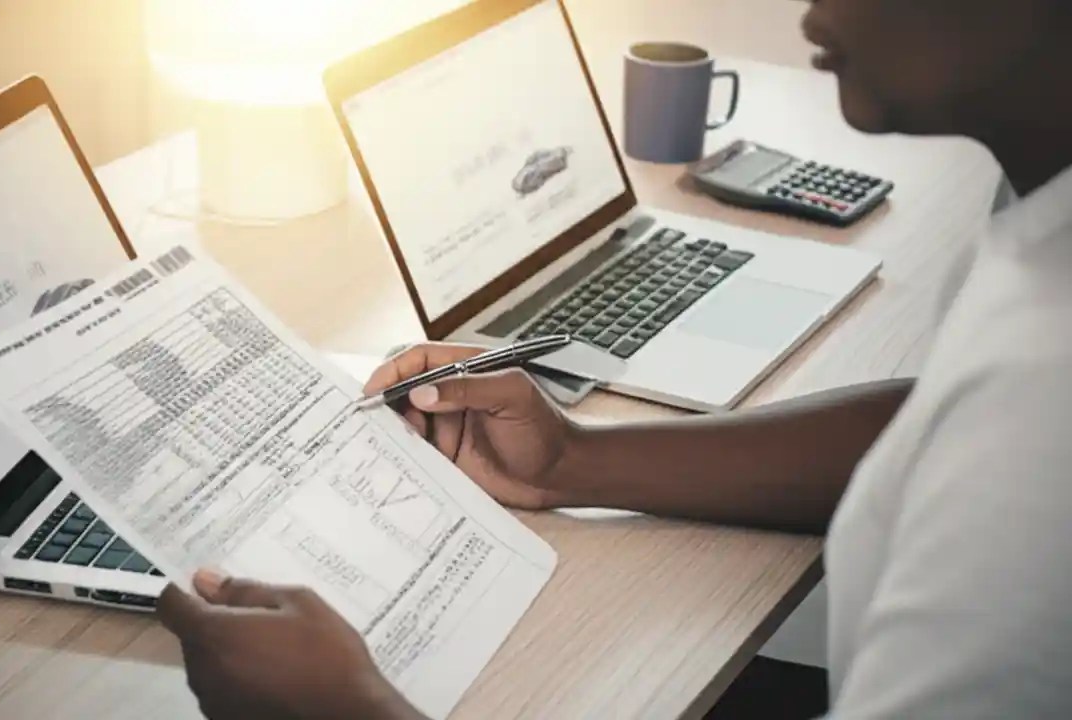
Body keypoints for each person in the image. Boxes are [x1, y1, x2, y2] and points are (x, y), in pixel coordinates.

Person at [156, 0, 1072, 716]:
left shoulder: (1043, 376)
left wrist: (347, 712)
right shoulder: (1038, 261)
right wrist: (574, 459)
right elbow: (933, 425)